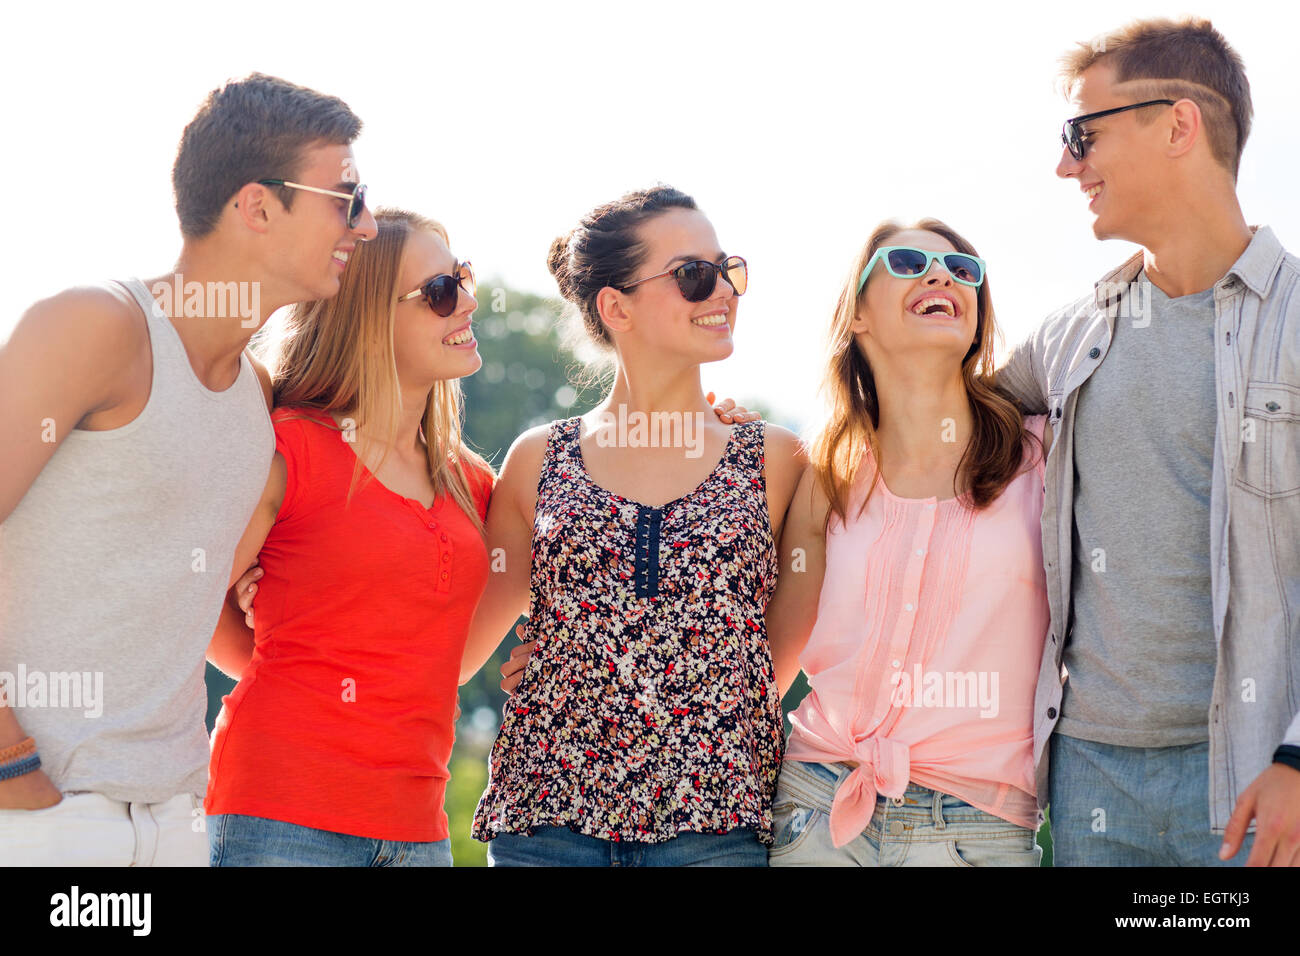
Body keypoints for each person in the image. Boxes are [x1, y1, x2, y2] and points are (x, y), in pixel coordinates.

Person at [0, 74, 375, 866]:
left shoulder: (254, 397)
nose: (366, 225)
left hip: (174, 820)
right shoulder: (97, 327)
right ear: (258, 206)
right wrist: (8, 760)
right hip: (39, 816)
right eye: (346, 198)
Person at [998, 16, 1300, 866]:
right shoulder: (1068, 336)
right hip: (1091, 776)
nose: (1067, 165)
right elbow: (930, 421)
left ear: (1178, 124)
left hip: (1254, 779)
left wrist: (1298, 758)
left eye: (1081, 134)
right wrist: (736, 431)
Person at [462, 185, 806, 866]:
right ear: (615, 306)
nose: (724, 292)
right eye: (692, 276)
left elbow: (772, 662)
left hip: (717, 827)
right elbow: (460, 643)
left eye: (726, 269)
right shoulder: (537, 458)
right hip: (547, 824)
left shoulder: (777, 459)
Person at [204, 208, 493, 867]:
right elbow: (181, 604)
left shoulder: (473, 488)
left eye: (464, 279)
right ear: (367, 319)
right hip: (280, 815)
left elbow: (444, 657)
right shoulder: (290, 449)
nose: (469, 302)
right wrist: (292, 660)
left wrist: (703, 425)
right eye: (441, 293)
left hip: (421, 828)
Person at [761, 220, 1050, 866]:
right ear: (858, 314)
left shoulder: (1044, 457)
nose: (943, 275)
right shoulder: (826, 474)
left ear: (976, 321)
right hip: (818, 806)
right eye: (910, 261)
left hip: (979, 823)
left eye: (964, 271)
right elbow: (765, 671)